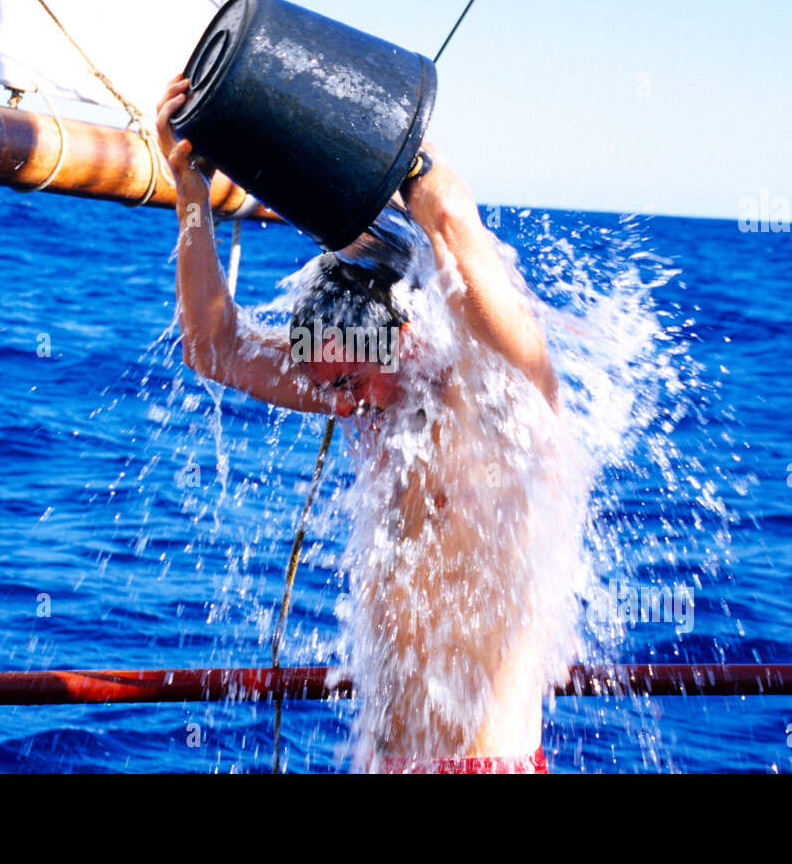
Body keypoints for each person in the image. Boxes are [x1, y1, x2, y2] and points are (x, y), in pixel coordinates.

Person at [157, 74, 563, 773]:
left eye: (344, 383)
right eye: (325, 386)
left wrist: (399, 151)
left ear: (401, 335)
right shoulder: (370, 395)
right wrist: (190, 199)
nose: (339, 406)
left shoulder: (494, 397)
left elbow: (452, 229)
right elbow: (212, 347)